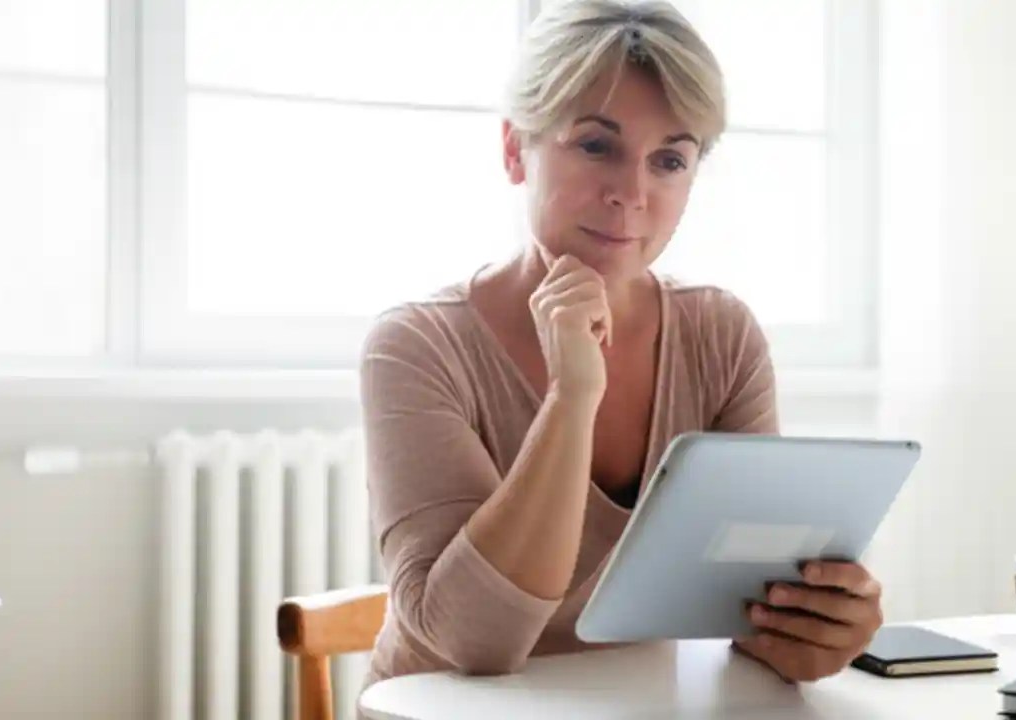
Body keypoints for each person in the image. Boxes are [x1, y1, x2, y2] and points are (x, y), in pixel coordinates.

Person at [359, 0, 884, 694]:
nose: (631, 194)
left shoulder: (721, 337)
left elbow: (752, 613)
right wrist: (572, 395)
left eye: (669, 160)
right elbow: (475, 641)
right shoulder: (416, 347)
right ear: (516, 149)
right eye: (597, 145)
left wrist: (814, 633)